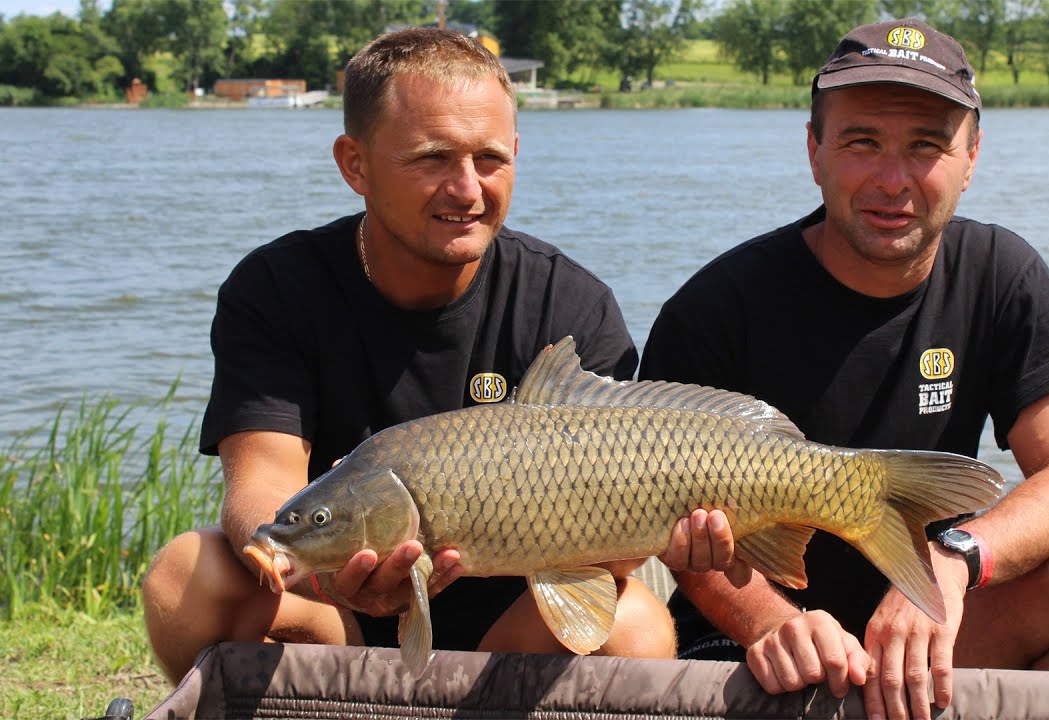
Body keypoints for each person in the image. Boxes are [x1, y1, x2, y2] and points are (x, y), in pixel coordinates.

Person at [643, 17, 1049, 720]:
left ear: (971, 158)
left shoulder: (1002, 275)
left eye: (926, 146)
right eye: (862, 143)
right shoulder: (714, 309)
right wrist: (771, 622)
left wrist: (954, 561)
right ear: (814, 150)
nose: (893, 181)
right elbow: (672, 534)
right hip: (756, 638)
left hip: (932, 619)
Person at [141, 27, 677, 685]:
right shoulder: (277, 287)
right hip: (335, 609)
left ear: (515, 153)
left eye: (489, 158)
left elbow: (611, 537)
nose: (467, 189)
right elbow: (261, 484)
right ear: (355, 164)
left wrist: (674, 535)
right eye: (432, 158)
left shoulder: (570, 304)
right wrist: (328, 574)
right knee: (187, 576)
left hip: (510, 620)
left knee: (636, 627)